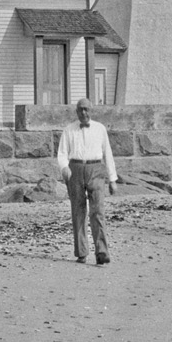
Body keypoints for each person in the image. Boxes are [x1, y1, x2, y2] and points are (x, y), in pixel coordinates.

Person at [55, 97, 117, 265]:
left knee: (98, 211)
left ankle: (102, 251)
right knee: (78, 211)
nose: (83, 112)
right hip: (75, 169)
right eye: (80, 109)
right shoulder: (69, 130)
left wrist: (112, 179)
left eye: (86, 109)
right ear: (76, 112)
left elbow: (108, 153)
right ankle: (81, 251)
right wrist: (64, 167)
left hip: (96, 169)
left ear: (91, 110)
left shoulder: (100, 129)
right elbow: (62, 152)